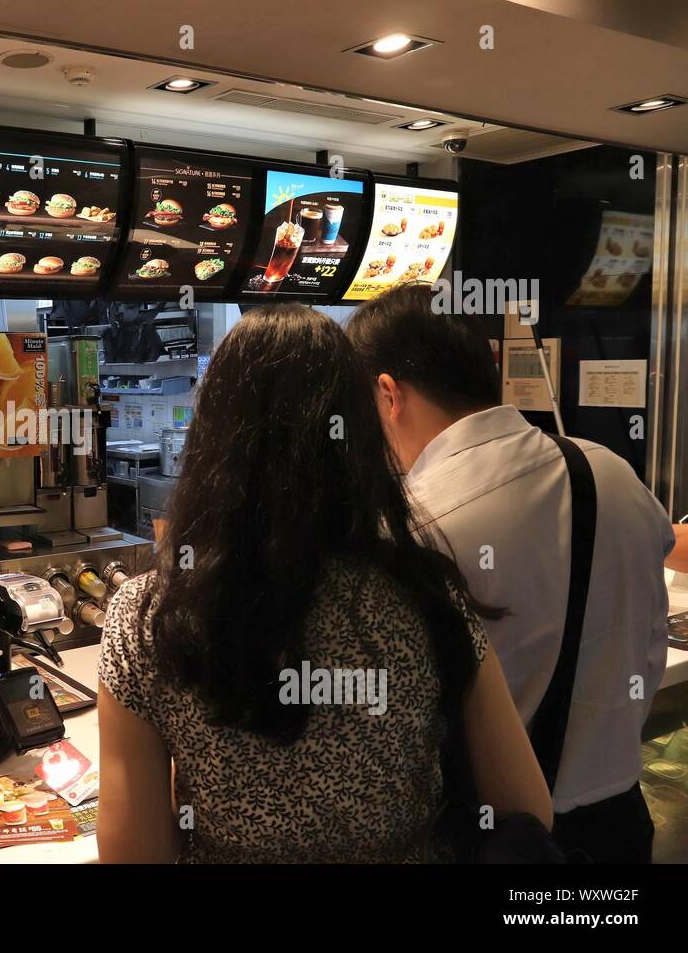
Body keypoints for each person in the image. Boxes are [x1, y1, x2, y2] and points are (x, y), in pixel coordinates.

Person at [96, 304, 551, 864]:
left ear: (210, 435)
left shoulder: (145, 618)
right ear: (360, 433)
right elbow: (526, 806)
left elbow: (134, 854)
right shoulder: (428, 594)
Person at [346, 284, 674, 863]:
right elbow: (648, 641)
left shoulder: (410, 530)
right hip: (620, 824)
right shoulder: (612, 472)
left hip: (489, 842)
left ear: (388, 393)